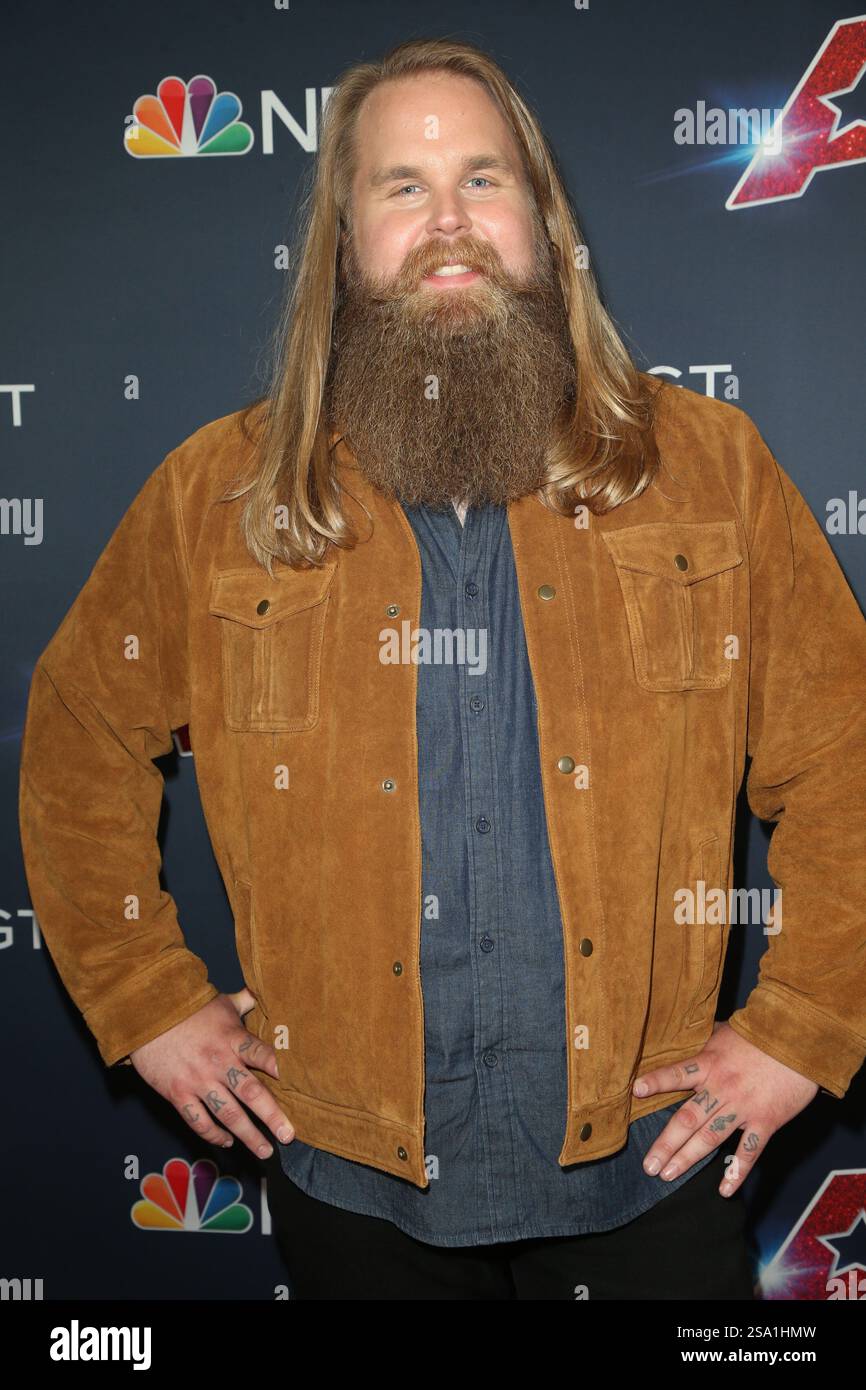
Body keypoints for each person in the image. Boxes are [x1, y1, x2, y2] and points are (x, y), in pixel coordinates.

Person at [19, 38, 866, 1301]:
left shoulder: (708, 466)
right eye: (400, 187)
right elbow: (81, 726)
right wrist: (143, 996)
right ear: (346, 239)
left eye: (482, 178)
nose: (447, 223)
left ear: (541, 216)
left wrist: (804, 1019)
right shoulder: (222, 493)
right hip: (350, 1176)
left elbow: (844, 747)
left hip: (652, 1163)